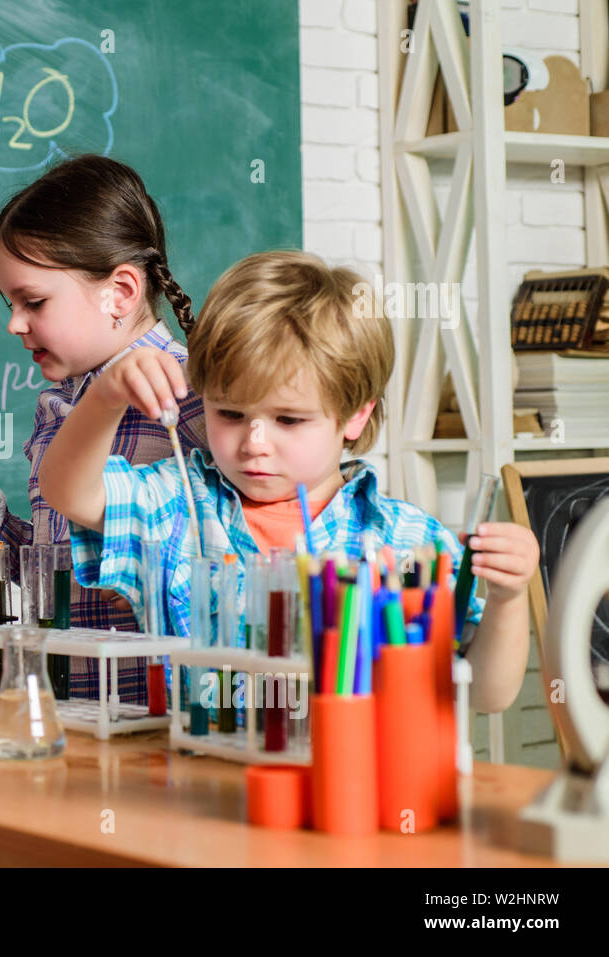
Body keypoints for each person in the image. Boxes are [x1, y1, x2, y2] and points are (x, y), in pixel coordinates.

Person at [40, 250, 537, 712]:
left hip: (355, 793)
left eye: (289, 420)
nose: (254, 442)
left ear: (353, 418)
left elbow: (487, 695)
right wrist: (106, 395)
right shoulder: (177, 506)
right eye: (231, 413)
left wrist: (509, 599)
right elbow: (67, 491)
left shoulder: (406, 541)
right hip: (200, 791)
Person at [0, 154, 205, 703]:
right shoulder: (58, 407)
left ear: (122, 293)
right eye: (12, 303)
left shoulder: (197, 402)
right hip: (69, 717)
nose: (14, 323)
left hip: (157, 722)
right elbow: (51, 577)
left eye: (33, 301)